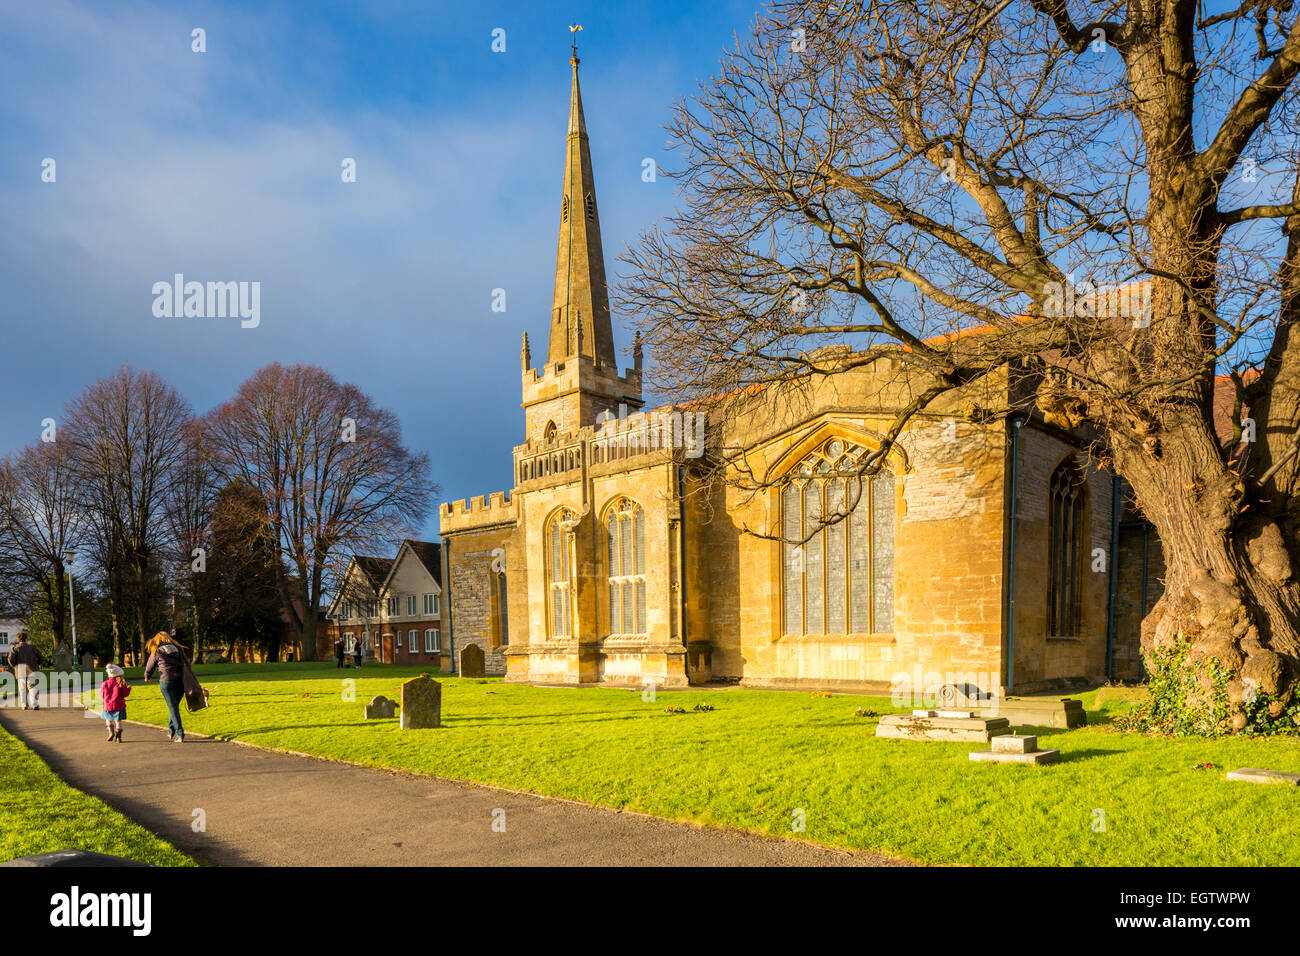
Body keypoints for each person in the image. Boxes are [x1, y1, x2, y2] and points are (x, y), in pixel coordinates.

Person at [143, 631, 188, 743]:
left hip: (166, 680)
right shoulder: (178, 648)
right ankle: (171, 731)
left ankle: (180, 733)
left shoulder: (157, 650)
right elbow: (187, 662)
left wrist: (147, 676)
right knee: (174, 707)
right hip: (180, 680)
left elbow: (150, 665)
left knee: (173, 707)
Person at [7, 634, 42, 710]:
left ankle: (24, 705)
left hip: (20, 668)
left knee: (22, 688)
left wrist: (14, 665)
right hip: (31, 668)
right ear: (26, 639)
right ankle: (35, 704)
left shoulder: (15, 648)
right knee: (32, 686)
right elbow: (40, 656)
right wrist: (37, 663)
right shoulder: (32, 647)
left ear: (18, 639)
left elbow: (10, 659)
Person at [99, 664, 131, 742]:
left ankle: (111, 733)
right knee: (118, 721)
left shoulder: (105, 683)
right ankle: (118, 737)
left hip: (108, 706)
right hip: (118, 706)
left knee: (108, 720)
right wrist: (129, 689)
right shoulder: (121, 683)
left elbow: (102, 695)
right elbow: (124, 694)